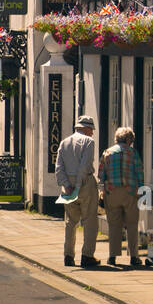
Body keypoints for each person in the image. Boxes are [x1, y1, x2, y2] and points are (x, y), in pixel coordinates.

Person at [55, 115, 100, 268]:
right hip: (85, 182)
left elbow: (59, 168)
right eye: (91, 130)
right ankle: (87, 256)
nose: (92, 133)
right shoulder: (88, 142)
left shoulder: (64, 142)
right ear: (86, 129)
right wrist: (79, 185)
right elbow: (85, 165)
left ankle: (68, 256)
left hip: (68, 183)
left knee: (70, 221)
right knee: (90, 221)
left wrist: (67, 185)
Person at [99, 127, 145, 267]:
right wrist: (142, 191)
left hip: (112, 192)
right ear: (129, 139)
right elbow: (139, 173)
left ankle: (112, 256)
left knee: (114, 224)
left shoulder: (107, 153)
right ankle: (134, 257)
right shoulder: (132, 153)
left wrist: (102, 191)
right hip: (130, 192)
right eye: (132, 139)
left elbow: (101, 175)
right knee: (132, 224)